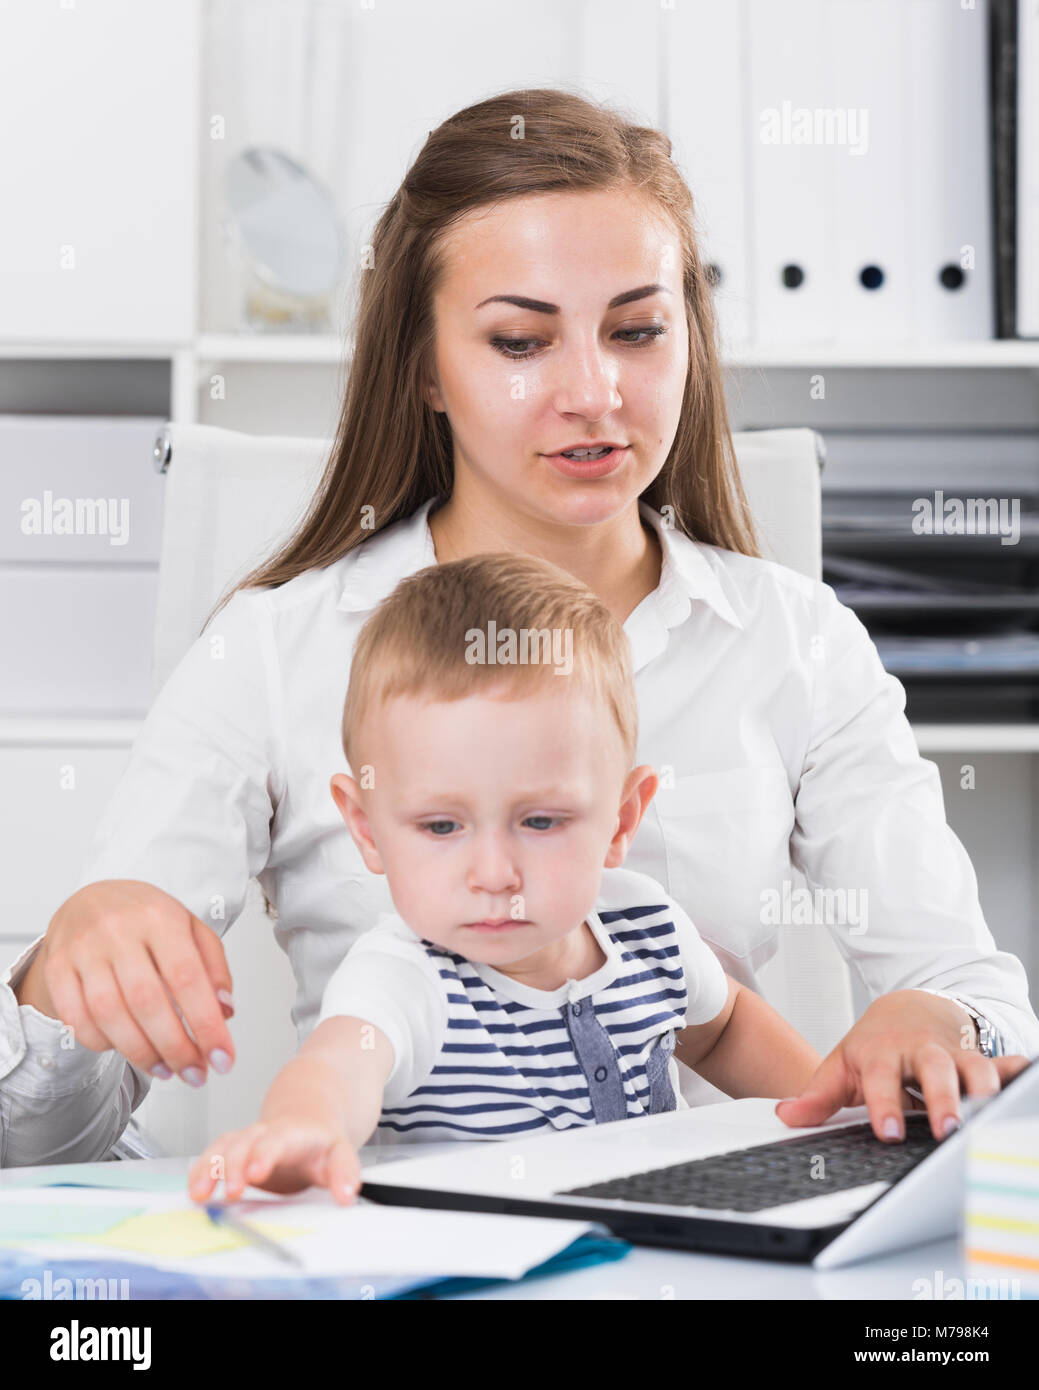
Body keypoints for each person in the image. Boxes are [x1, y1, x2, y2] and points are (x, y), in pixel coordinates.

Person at [2, 87, 1035, 1170]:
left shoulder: (796, 640)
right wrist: (64, 991)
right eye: (518, 341)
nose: (594, 393)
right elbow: (38, 1146)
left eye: (638, 331)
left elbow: (971, 993)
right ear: (423, 369)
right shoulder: (269, 652)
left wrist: (945, 1024)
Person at [188, 553, 823, 1205]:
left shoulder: (649, 926)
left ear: (621, 818)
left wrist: (835, 1116)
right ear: (367, 828)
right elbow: (337, 1065)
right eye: (440, 827)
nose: (494, 875)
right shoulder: (405, 977)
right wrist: (303, 1128)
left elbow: (723, 1029)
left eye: (541, 821)